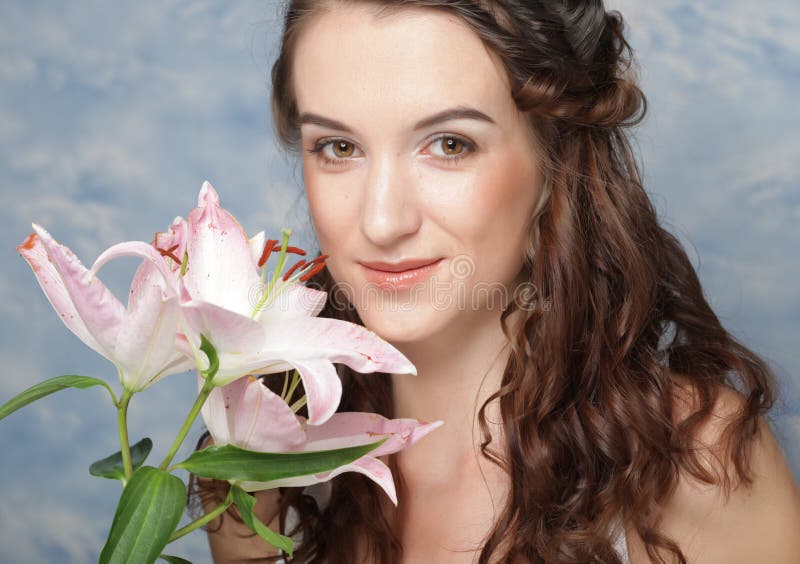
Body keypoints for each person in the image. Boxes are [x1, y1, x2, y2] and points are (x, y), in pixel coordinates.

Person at [190, 1, 800, 562]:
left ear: (552, 159)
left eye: (449, 144)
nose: (380, 221)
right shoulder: (260, 457)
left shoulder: (693, 460)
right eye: (339, 146)